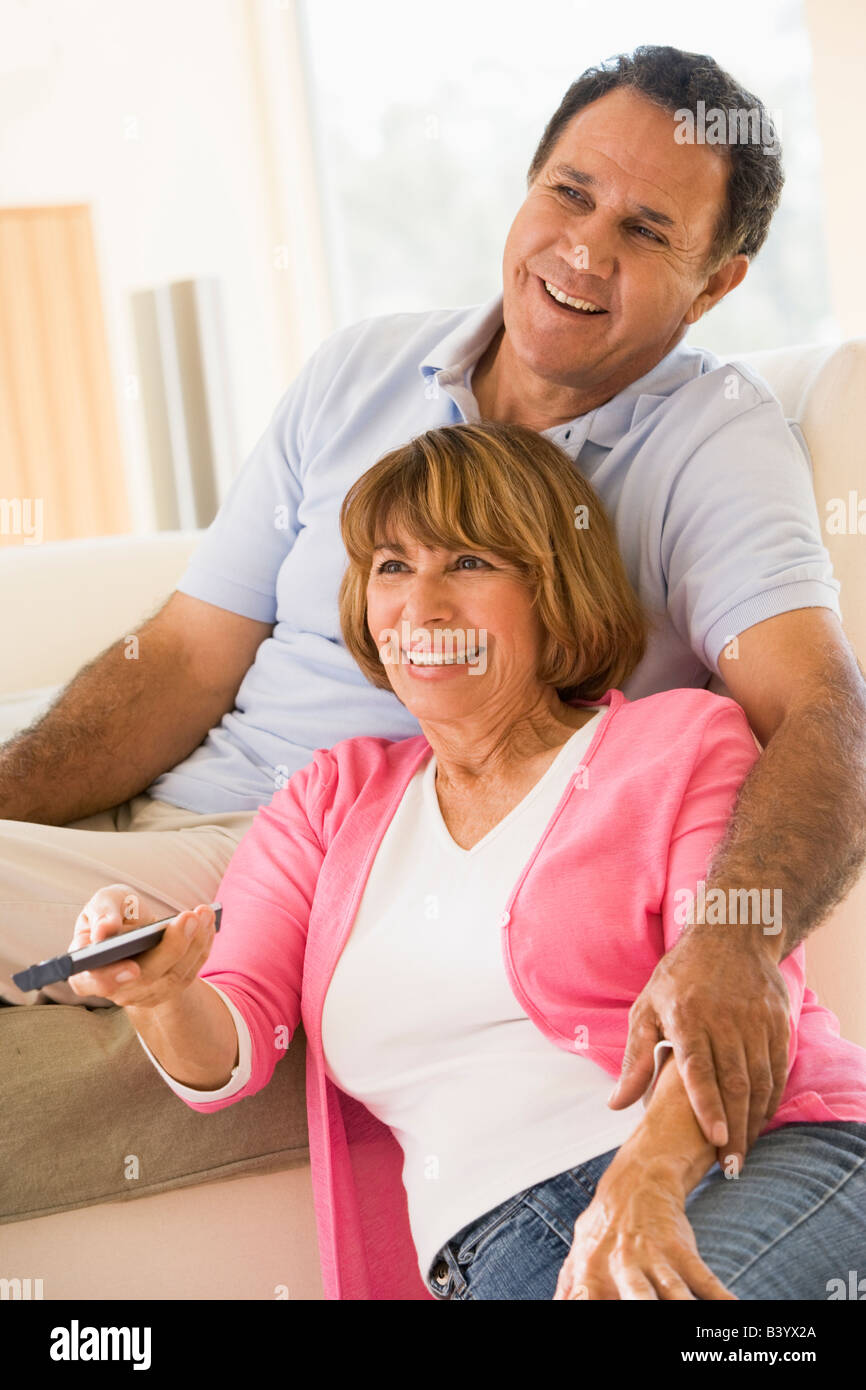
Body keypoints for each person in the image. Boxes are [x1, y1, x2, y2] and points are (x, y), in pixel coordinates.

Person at [2, 45, 865, 1168]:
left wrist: (732, 943)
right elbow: (183, 656)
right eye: (568, 192)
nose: (583, 249)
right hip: (179, 797)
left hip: (307, 852)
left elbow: (823, 715)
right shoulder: (361, 366)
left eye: (646, 231)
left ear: (715, 285)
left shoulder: (717, 443)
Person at [67, 423, 866, 1301]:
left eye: (471, 563)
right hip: (497, 1261)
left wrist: (642, 1183)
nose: (423, 606)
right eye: (392, 566)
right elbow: (237, 1039)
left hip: (738, 1166)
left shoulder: (679, 740)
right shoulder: (328, 803)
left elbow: (735, 990)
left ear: (554, 588)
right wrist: (161, 993)